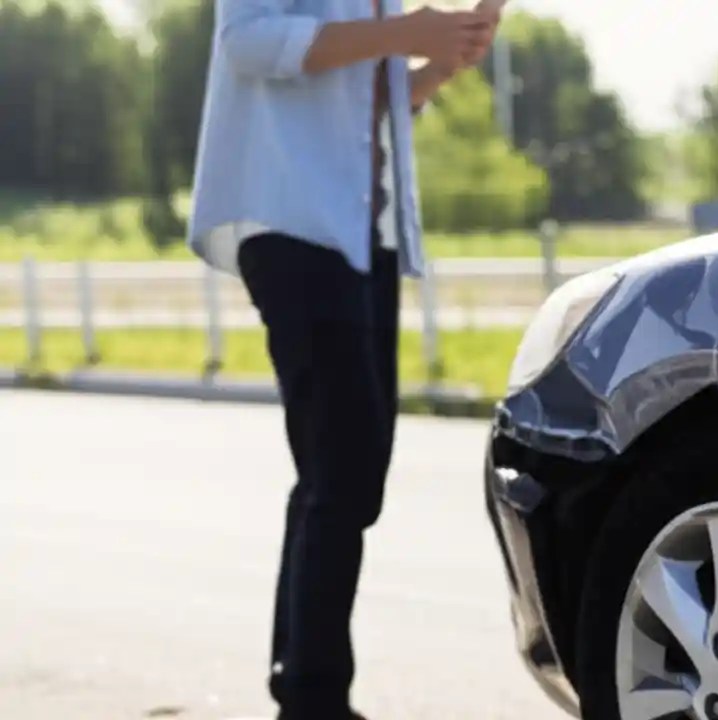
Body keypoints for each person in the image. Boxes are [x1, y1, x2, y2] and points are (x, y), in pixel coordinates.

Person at [187, 2, 500, 718]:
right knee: (341, 466)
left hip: (362, 232)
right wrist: (402, 33)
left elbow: (370, 110)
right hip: (294, 227)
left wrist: (437, 63)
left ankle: (305, 684)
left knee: (348, 475)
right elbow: (246, 42)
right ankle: (313, 696)